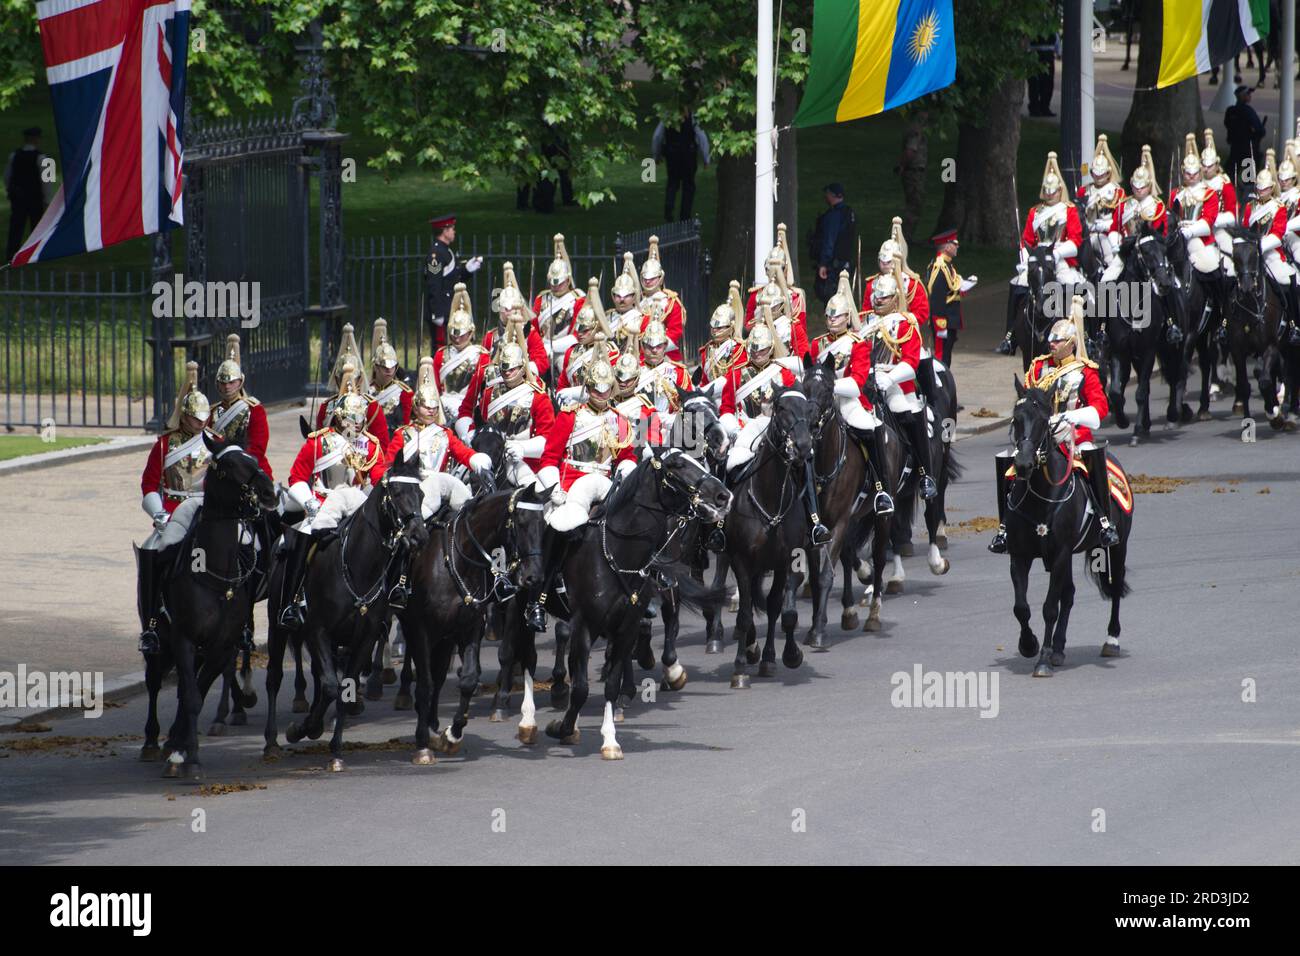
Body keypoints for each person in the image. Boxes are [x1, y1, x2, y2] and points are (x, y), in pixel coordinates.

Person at [989, 295, 1118, 554]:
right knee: (1010, 464)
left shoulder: (1086, 371)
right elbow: (1028, 397)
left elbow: (1100, 407)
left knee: (1092, 462)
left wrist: (1073, 417)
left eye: (1057, 341)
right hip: (1040, 435)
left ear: (1071, 344)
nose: (1052, 345)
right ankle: (1004, 528)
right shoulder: (1038, 367)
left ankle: (1104, 521)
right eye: (1050, 340)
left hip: (1073, 435)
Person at [280, 371, 389, 628]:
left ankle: (382, 605)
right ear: (340, 419)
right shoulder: (318, 442)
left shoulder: (370, 446)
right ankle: (292, 602)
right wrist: (309, 503)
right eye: (353, 419)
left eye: (361, 419)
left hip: (355, 505)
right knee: (302, 539)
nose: (358, 425)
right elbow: (297, 477)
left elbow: (378, 479)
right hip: (321, 504)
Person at [719, 305, 829, 546]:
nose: (758, 354)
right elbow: (726, 409)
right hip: (747, 430)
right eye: (755, 349)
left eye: (763, 349)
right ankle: (720, 523)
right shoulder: (735, 375)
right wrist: (734, 428)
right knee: (727, 464)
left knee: (806, 459)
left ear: (771, 349)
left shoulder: (783, 373)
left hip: (779, 429)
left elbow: (797, 402)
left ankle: (814, 520)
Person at [136, 362, 211, 654]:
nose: (200, 423)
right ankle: (151, 626)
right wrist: (158, 514)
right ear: (185, 416)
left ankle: (242, 623)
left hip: (206, 513)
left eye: (204, 418)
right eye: (195, 418)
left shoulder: (216, 443)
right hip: (172, 511)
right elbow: (149, 483)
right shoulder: (165, 445)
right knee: (151, 556)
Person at [809, 271, 893, 515]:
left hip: (848, 401)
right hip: (821, 402)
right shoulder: (818, 344)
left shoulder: (858, 343)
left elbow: (857, 383)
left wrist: (827, 386)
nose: (832, 320)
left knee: (871, 428)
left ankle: (881, 489)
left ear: (848, 317)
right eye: (829, 316)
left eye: (838, 316)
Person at [861, 263, 937, 501]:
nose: (879, 301)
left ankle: (926, 473)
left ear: (895, 298)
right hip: (866, 382)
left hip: (894, 381)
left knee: (905, 411)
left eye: (884, 297)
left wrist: (890, 378)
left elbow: (912, 361)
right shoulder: (865, 324)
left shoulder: (905, 323)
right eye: (877, 296)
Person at [999, 152, 1084, 355]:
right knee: (1017, 284)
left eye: (1053, 191)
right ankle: (1010, 336)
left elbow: (1075, 240)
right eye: (1047, 190)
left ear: (1059, 190)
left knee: (1077, 288)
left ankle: (1085, 336)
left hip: (1058, 257)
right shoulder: (1034, 212)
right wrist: (1025, 259)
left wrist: (1056, 254)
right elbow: (1026, 240)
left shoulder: (1069, 210)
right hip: (1037, 258)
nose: (1050, 194)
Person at [386, 357, 492, 518]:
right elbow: (388, 464)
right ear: (416, 408)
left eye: (435, 408)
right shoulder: (403, 434)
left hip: (439, 490)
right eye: (426, 408)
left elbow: (462, 452)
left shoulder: (444, 433)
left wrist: (475, 459)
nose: (431, 412)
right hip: (412, 488)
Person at [456, 319, 555, 488]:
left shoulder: (538, 396)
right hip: (489, 452)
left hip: (519, 458)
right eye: (504, 369)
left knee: (534, 490)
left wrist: (522, 447)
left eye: (512, 368)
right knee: (458, 483)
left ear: (523, 367)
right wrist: (472, 435)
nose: (507, 373)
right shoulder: (490, 392)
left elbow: (548, 438)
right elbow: (480, 420)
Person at [1241, 161, 1300, 342]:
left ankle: (1293, 324)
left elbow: (1278, 233)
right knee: (1232, 276)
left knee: (1287, 279)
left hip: (1270, 253)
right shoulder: (1251, 207)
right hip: (1251, 253)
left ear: (1271, 188)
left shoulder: (1278, 207)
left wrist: (1260, 246)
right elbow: (1245, 229)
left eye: (1265, 188)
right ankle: (1227, 321)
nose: (1261, 191)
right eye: (1259, 188)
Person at [1101, 144, 1168, 284]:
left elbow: (1160, 233)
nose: (1138, 190)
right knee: (1106, 279)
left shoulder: (1157, 206)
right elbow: (1115, 228)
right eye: (1135, 187)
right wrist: (1115, 245)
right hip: (1126, 251)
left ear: (1149, 186)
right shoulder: (1123, 205)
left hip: (1150, 252)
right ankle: (1103, 305)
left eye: (1142, 187)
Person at [315, 325, 390, 449]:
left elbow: (382, 445)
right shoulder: (326, 407)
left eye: (353, 379)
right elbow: (318, 446)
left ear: (360, 380)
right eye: (343, 379)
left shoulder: (371, 406)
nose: (348, 383)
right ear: (336, 380)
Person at [210, 334, 272, 479]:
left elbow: (258, 447)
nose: (227, 387)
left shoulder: (254, 410)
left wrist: (237, 463)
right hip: (219, 468)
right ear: (217, 383)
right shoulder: (212, 412)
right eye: (223, 383)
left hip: (250, 467)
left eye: (232, 382)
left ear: (240, 382)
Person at [745, 225, 811, 360]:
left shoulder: (796, 296)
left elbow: (801, 329)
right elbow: (747, 325)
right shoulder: (756, 295)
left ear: (785, 269)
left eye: (779, 267)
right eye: (770, 267)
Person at [424, 214, 483, 348]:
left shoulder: (445, 250)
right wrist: (436, 313)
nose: (454, 231)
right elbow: (434, 283)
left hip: (448, 309)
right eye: (452, 228)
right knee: (441, 349)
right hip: (441, 311)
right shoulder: (436, 254)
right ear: (444, 231)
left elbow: (451, 279)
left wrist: (467, 269)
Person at [862, 217, 930, 331]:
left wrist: (902, 322)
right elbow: (866, 311)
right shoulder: (872, 284)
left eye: (888, 262)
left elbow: (922, 313)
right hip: (875, 331)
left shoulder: (911, 284)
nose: (884, 265)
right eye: (881, 261)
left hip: (904, 333)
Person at [434, 284, 489, 424]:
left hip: (469, 408)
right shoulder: (441, 355)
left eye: (462, 335)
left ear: (471, 332)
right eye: (453, 335)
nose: (457, 339)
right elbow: (434, 386)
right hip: (442, 408)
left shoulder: (481, 356)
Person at [557, 278, 620, 396]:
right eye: (578, 330)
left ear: (596, 327)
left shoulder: (610, 351)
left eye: (585, 330)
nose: (580, 334)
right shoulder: (571, 352)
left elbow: (610, 388)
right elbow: (563, 385)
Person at [533, 234, 586, 372]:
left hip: (566, 349)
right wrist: (540, 348)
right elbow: (534, 329)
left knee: (566, 367)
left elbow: (578, 334)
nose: (555, 287)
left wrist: (553, 346)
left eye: (560, 283)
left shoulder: (578, 299)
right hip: (542, 349)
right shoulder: (541, 298)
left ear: (568, 281)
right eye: (552, 283)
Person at [925, 230, 976, 367]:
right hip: (944, 320)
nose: (957, 247)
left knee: (946, 357)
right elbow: (937, 296)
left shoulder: (947, 266)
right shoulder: (940, 267)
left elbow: (950, 289)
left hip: (950, 319)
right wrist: (940, 323)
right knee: (942, 358)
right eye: (955, 243)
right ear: (947, 246)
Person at [1079, 135, 1125, 277]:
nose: (1098, 177)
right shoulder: (1084, 190)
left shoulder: (1116, 191)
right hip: (1087, 233)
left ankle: (1111, 277)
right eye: (1095, 174)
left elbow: (1119, 217)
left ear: (1108, 173)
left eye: (1102, 174)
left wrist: (1105, 225)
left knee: (1107, 250)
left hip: (1106, 233)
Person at [653, 111, 710, 222]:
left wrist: (656, 155)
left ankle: (669, 210)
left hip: (672, 155)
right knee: (688, 186)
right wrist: (706, 158)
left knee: (672, 183)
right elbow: (701, 137)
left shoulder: (667, 116)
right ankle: (685, 216)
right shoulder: (692, 118)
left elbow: (657, 136)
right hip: (689, 155)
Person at [5, 126, 50, 262]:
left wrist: (10, 190)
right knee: (36, 226)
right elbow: (47, 182)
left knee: (16, 226)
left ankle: (11, 253)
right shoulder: (43, 158)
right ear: (36, 139)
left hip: (18, 197)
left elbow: (7, 176)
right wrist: (47, 199)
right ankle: (36, 252)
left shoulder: (14, 155)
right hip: (35, 198)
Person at [696, 281, 748, 398]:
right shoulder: (707, 350)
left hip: (732, 397)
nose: (715, 331)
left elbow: (734, 379)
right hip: (709, 396)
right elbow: (704, 379)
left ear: (731, 326)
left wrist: (705, 391)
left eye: (719, 327)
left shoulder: (738, 348)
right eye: (713, 327)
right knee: (691, 414)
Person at [638, 236, 687, 362]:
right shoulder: (638, 302)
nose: (648, 282)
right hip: (638, 356)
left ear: (660, 278)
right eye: (645, 279)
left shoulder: (670, 302)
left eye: (652, 278)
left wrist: (653, 349)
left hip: (664, 356)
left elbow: (675, 332)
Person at [810, 183, 856, 305]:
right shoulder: (849, 213)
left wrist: (823, 263)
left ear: (832, 195)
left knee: (831, 299)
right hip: (846, 263)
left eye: (827, 194)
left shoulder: (834, 216)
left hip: (834, 266)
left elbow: (829, 241)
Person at [367, 318, 413, 439]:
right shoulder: (367, 392)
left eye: (392, 366)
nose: (389, 370)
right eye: (384, 366)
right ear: (376, 367)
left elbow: (406, 425)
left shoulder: (403, 392)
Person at [1224, 85, 1266, 186]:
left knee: (1230, 175)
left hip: (1235, 148)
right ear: (1242, 96)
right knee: (1249, 180)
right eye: (1248, 93)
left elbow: (1227, 125)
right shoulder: (1248, 111)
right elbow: (1260, 130)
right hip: (1248, 149)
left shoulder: (1230, 111)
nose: (1250, 95)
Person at [1027, 34, 1057, 117]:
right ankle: (1035, 108)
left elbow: (1056, 40)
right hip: (1035, 54)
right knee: (1035, 84)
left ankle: (1044, 107)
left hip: (1047, 54)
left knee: (1048, 83)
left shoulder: (1052, 27)